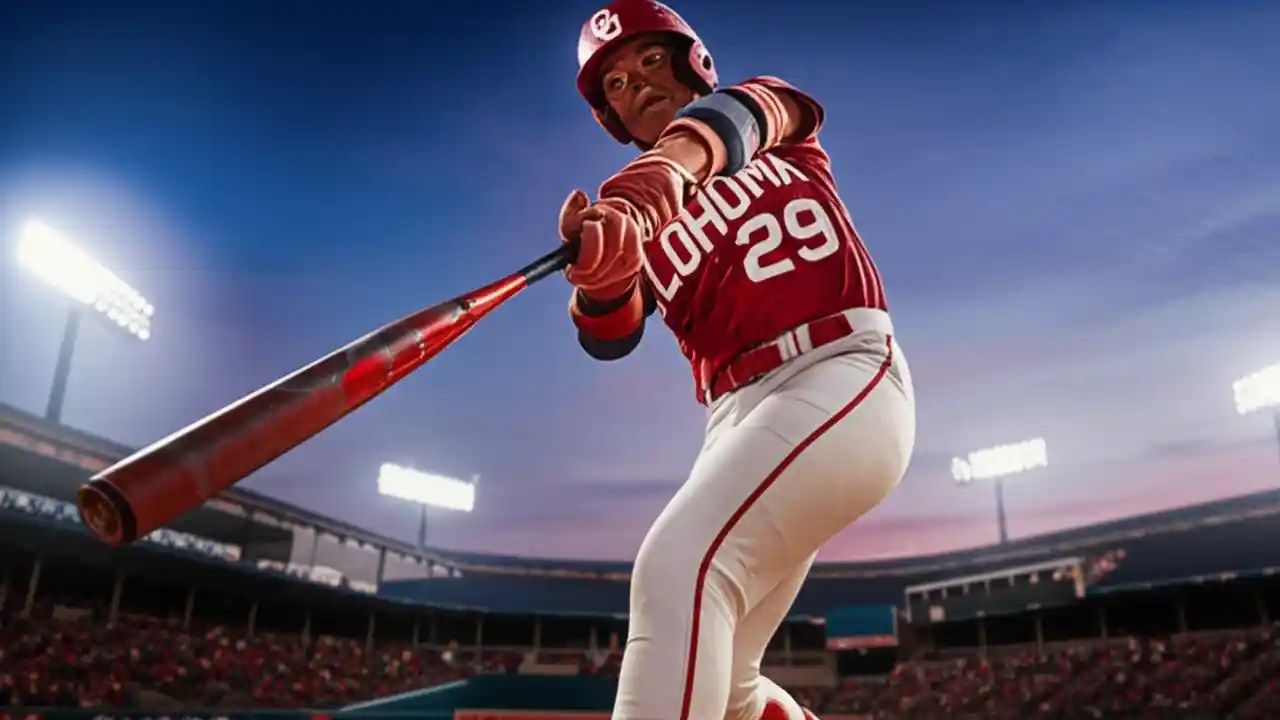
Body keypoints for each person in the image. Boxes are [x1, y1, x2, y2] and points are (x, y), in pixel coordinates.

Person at [557, 1, 917, 718]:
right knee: (726, 689)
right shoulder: (637, 217)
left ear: (690, 61)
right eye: (618, 85)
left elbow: (739, 121)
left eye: (649, 61)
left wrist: (658, 178)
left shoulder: (760, 113)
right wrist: (600, 281)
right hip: (737, 420)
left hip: (840, 370)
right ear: (609, 115)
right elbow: (611, 335)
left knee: (679, 570)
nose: (636, 87)